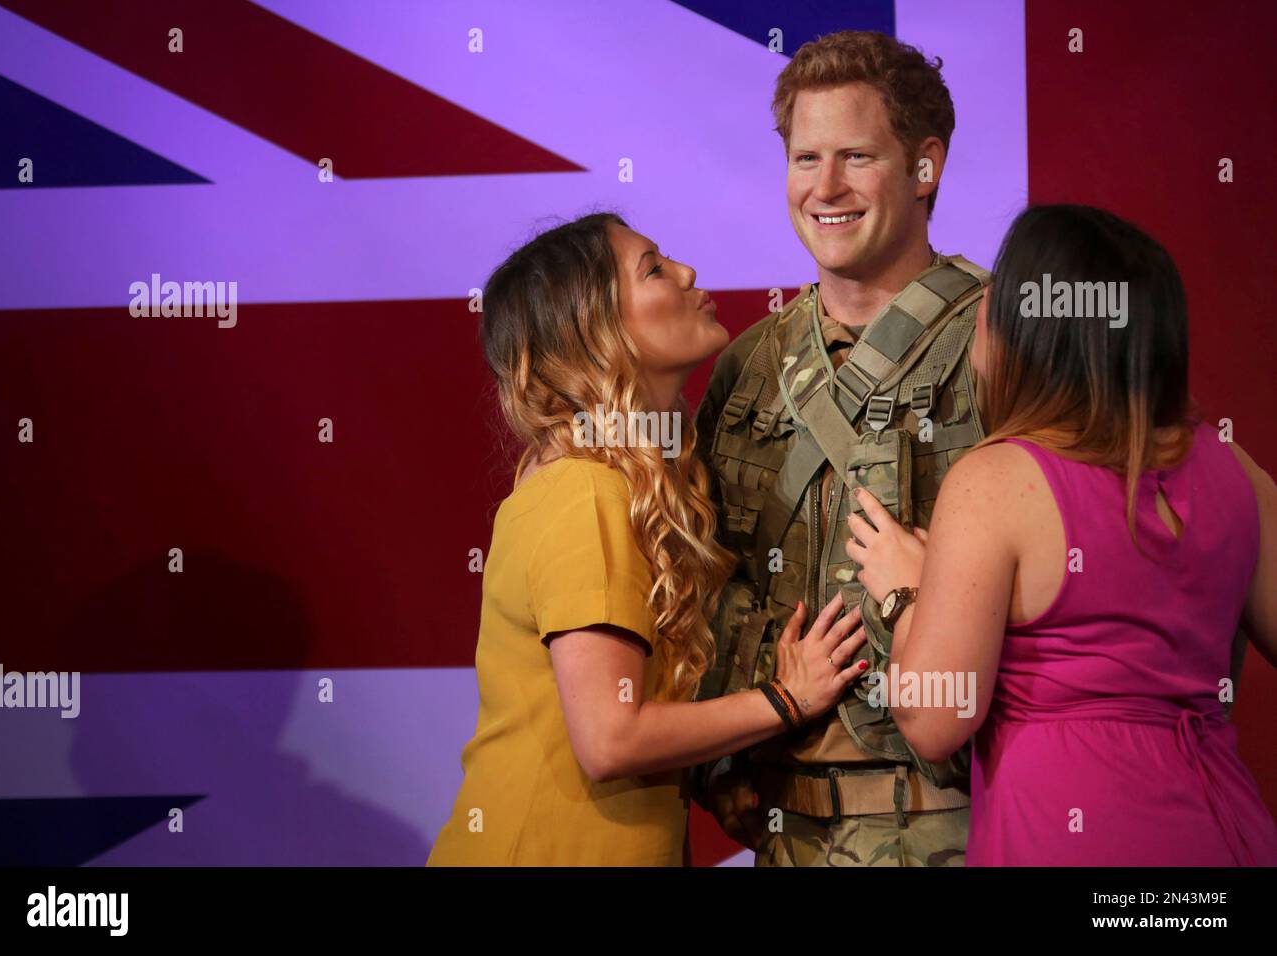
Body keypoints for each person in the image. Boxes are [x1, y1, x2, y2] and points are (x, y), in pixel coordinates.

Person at [426, 212, 871, 866]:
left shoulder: (614, 483)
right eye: (655, 268)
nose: (688, 274)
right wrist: (785, 699)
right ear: (596, 333)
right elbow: (610, 738)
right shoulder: (584, 493)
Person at [847, 203, 1277, 865]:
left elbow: (935, 719)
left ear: (1033, 331)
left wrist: (908, 594)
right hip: (1226, 834)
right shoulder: (1238, 471)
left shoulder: (995, 481)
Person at [693, 30, 988, 866]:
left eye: (856, 156)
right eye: (804, 157)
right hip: (786, 831)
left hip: (956, 823)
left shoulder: (1005, 342)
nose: (824, 188)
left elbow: (1085, 571)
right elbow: (702, 578)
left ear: (924, 166)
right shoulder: (747, 365)